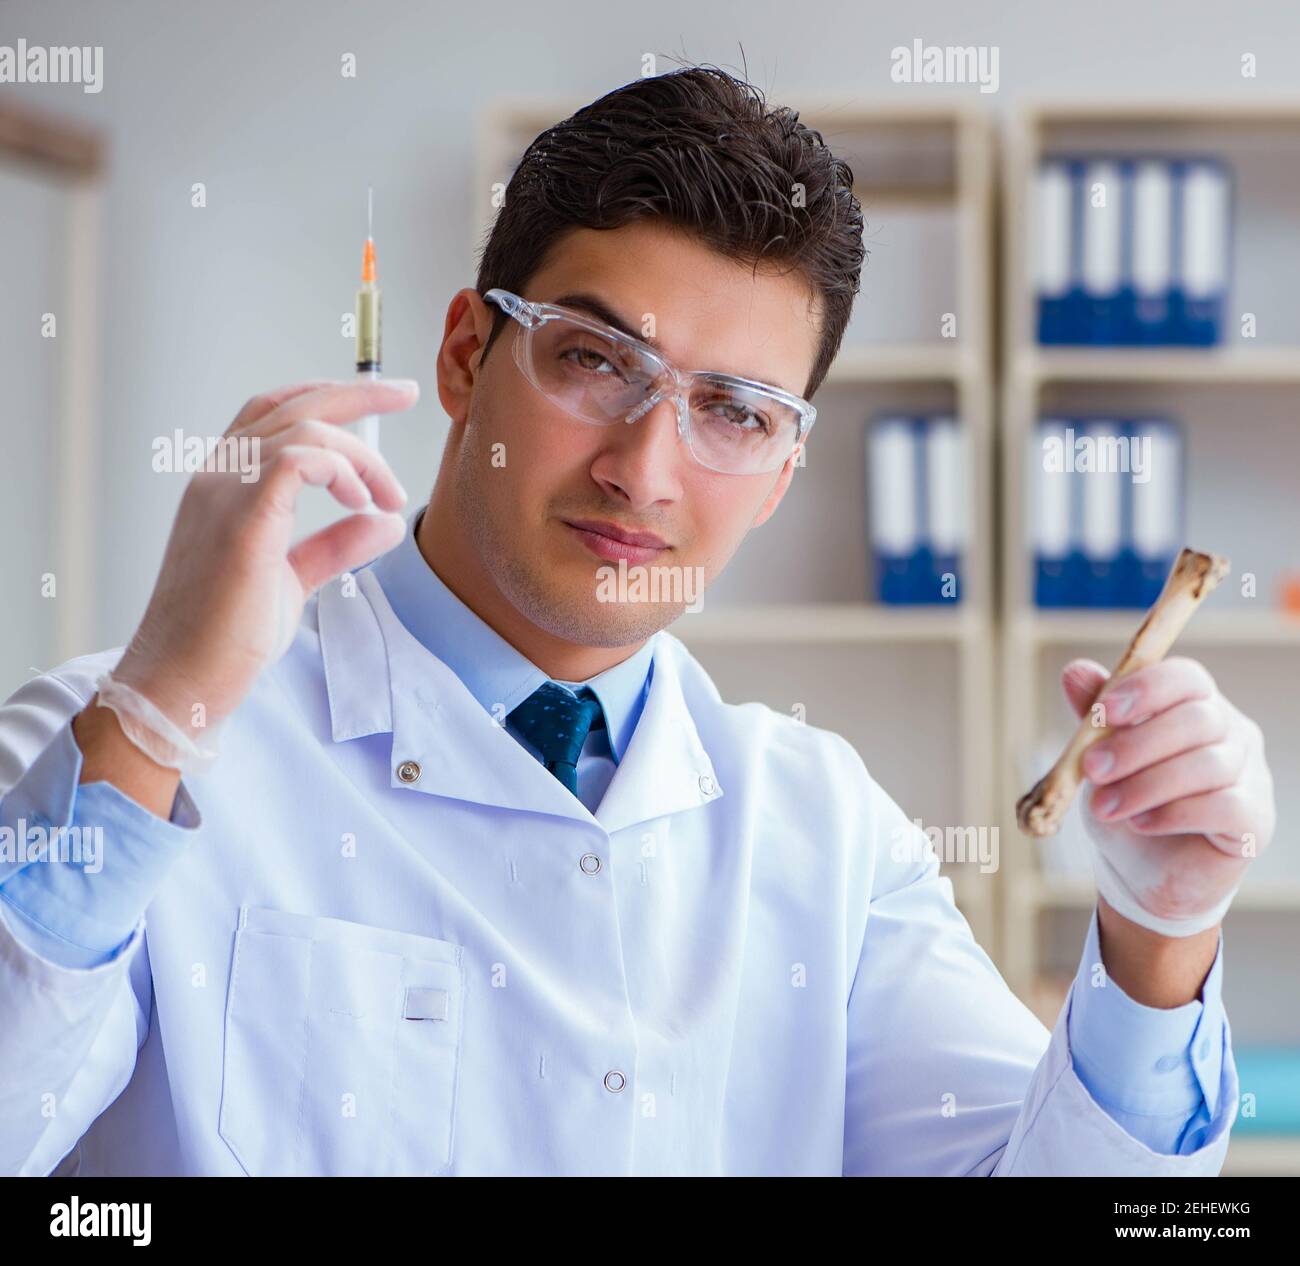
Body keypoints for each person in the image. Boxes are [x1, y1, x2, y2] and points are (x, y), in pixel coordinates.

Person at [0, 67, 1275, 1177]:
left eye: (735, 411)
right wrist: (155, 719)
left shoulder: (824, 833)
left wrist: (1157, 939)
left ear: (781, 472)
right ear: (462, 357)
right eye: (595, 360)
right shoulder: (109, 745)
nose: (645, 471)